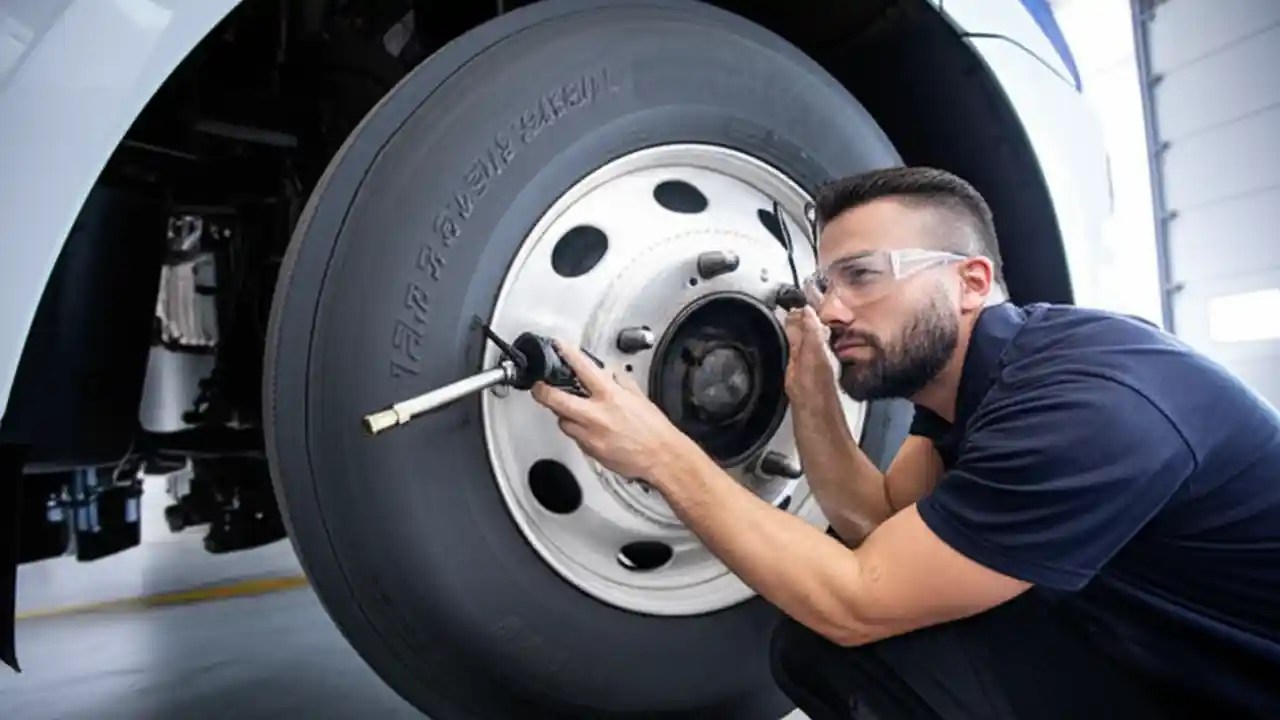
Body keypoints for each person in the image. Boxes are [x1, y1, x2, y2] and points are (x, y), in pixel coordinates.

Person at [529, 166, 1280, 719]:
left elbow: (856, 600)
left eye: (863, 275)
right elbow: (882, 525)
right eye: (824, 283)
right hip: (1132, 647)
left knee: (844, 636)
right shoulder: (977, 374)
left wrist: (661, 454)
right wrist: (813, 397)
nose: (831, 309)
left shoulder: (1088, 411)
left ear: (972, 281)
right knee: (824, 646)